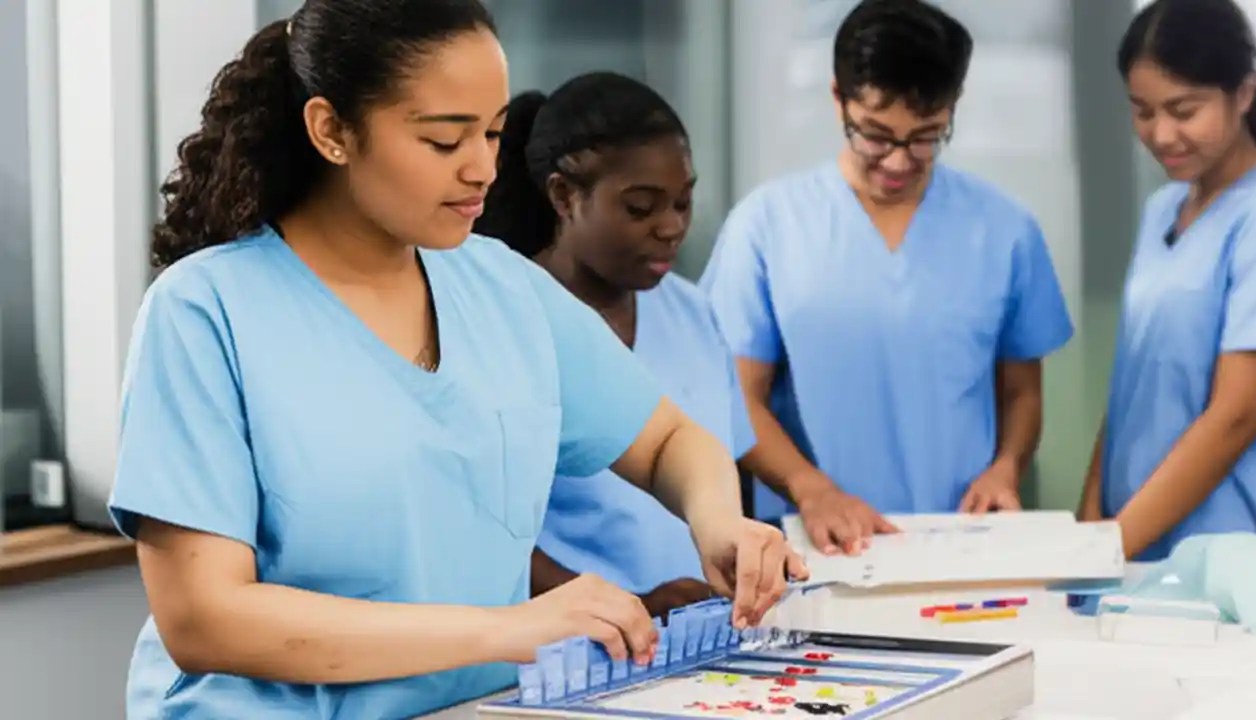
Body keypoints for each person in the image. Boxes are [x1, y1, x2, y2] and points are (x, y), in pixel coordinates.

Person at [107, 2, 805, 717]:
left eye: (494, 132)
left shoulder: (503, 290)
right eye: (444, 141)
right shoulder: (203, 312)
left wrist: (717, 522)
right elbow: (203, 619)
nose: (483, 169)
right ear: (331, 131)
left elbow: (667, 441)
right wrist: (506, 630)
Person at [700, 0, 1074, 555]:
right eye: (875, 135)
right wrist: (812, 490)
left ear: (953, 109)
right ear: (838, 100)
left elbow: (1021, 392)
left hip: (965, 548)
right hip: (819, 549)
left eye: (925, 136)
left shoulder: (1004, 229)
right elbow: (736, 399)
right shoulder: (767, 227)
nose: (898, 162)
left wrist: (1006, 469)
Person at [473, 72, 758, 621]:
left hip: (696, 640)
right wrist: (623, 607)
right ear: (564, 196)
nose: (671, 227)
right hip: (568, 646)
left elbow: (709, 461)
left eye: (682, 202)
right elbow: (483, 532)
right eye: (640, 208)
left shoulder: (694, 313)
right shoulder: (508, 321)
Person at [1078, 0, 1256, 561]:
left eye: (1184, 110)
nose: (1162, 134)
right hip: (1132, 548)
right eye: (1142, 111)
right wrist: (1088, 525)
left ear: (1244, 93)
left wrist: (1109, 546)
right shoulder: (1162, 209)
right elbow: (1133, 392)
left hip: (1226, 554)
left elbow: (1238, 414)